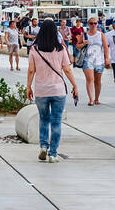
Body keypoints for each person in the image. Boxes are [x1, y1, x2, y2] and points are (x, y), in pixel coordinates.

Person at [27, 18, 78, 162]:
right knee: (56, 122)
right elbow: (67, 69)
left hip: (41, 90)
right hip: (58, 90)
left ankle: (43, 146)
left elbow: (31, 70)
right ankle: (53, 154)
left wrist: (28, 87)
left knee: (44, 119)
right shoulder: (61, 48)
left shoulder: (34, 49)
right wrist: (75, 85)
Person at [80, 16, 109, 105]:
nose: (93, 25)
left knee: (97, 81)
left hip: (99, 61)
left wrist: (107, 59)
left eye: (95, 23)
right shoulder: (84, 34)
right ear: (88, 24)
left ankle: (96, 98)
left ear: (97, 24)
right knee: (90, 79)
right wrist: (83, 44)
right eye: (91, 23)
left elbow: (105, 47)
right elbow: (77, 46)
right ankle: (91, 99)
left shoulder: (101, 35)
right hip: (87, 60)